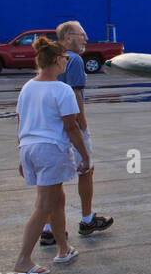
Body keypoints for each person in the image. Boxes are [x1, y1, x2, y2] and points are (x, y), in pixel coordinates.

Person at [14, 36, 88, 274]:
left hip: (29, 148)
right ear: (57, 60)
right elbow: (71, 127)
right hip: (51, 150)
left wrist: (21, 156)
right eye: (65, 58)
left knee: (56, 199)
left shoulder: (28, 87)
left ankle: (63, 248)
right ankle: (23, 261)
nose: (67, 61)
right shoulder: (62, 89)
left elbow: (21, 122)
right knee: (44, 206)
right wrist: (84, 156)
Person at [40, 21, 113, 246]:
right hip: (70, 125)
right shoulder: (73, 59)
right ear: (68, 37)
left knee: (54, 180)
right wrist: (82, 123)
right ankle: (87, 219)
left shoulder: (50, 59)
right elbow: (75, 92)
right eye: (82, 35)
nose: (86, 39)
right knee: (86, 170)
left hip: (50, 127)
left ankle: (49, 228)